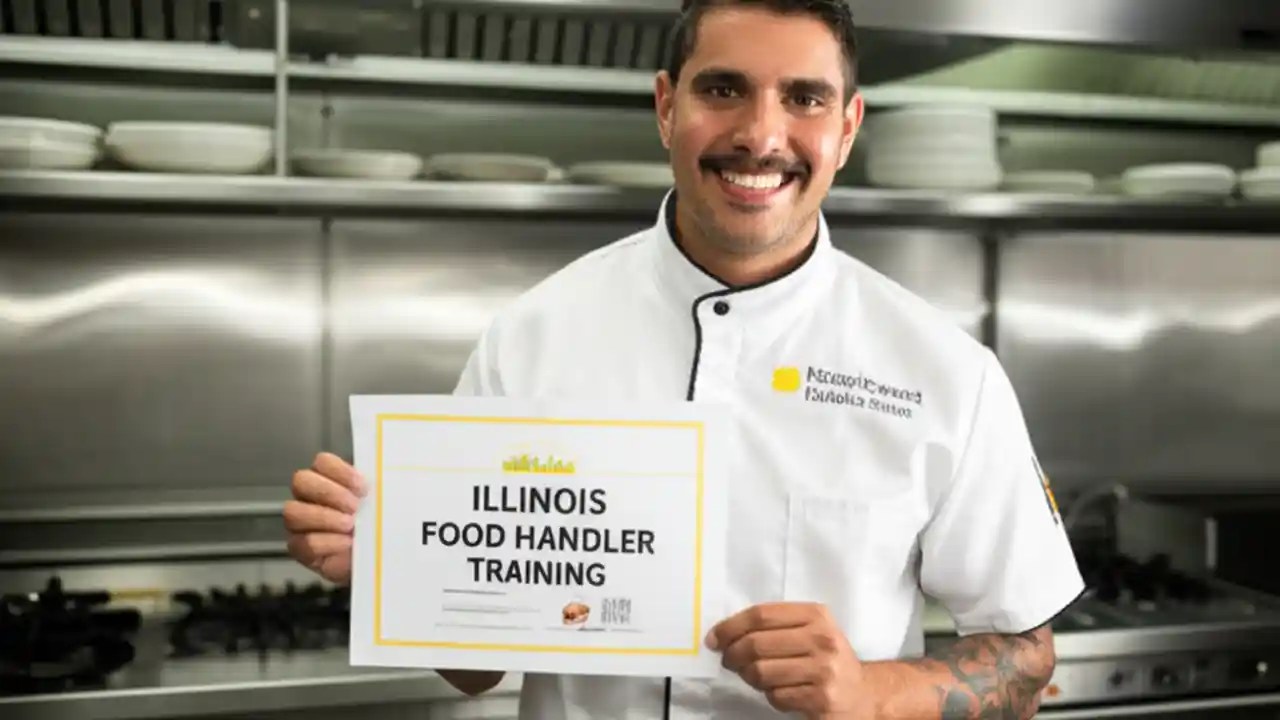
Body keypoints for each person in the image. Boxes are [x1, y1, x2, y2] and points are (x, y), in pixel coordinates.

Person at [283, 0, 1086, 718]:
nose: (761, 136)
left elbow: (1026, 659)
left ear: (847, 128)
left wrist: (872, 695)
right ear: (668, 107)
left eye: (804, 98)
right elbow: (474, 670)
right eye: (724, 89)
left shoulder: (948, 374)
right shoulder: (533, 337)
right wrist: (396, 564)